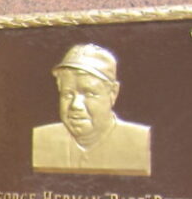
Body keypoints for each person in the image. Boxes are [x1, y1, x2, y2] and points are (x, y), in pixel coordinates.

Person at [31, 44, 150, 177]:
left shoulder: (138, 142)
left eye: (89, 94)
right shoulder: (42, 139)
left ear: (113, 93)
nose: (75, 105)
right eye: (67, 94)